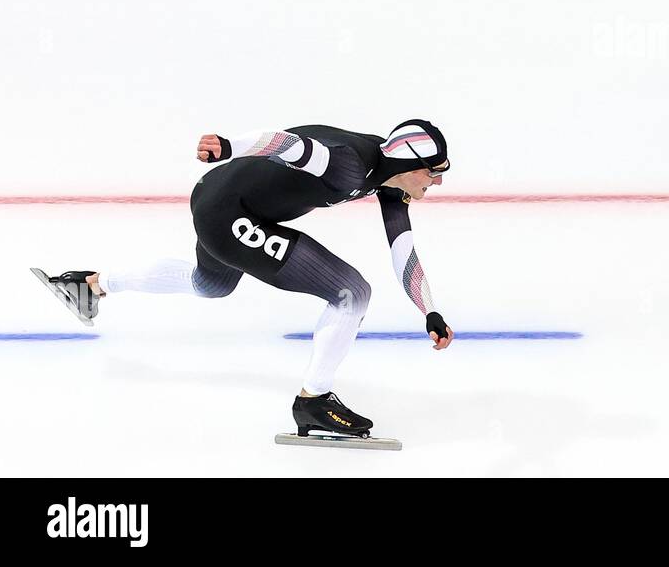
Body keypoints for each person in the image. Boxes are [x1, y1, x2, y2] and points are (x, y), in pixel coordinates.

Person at [33, 119, 454, 439]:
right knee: (351, 293)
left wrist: (429, 310)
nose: (436, 181)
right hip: (229, 211)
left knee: (210, 284)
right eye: (433, 172)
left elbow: (404, 250)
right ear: (407, 163)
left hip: (221, 197)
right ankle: (314, 400)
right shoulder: (348, 162)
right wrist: (229, 146)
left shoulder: (387, 180)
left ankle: (90, 285)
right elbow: (289, 145)